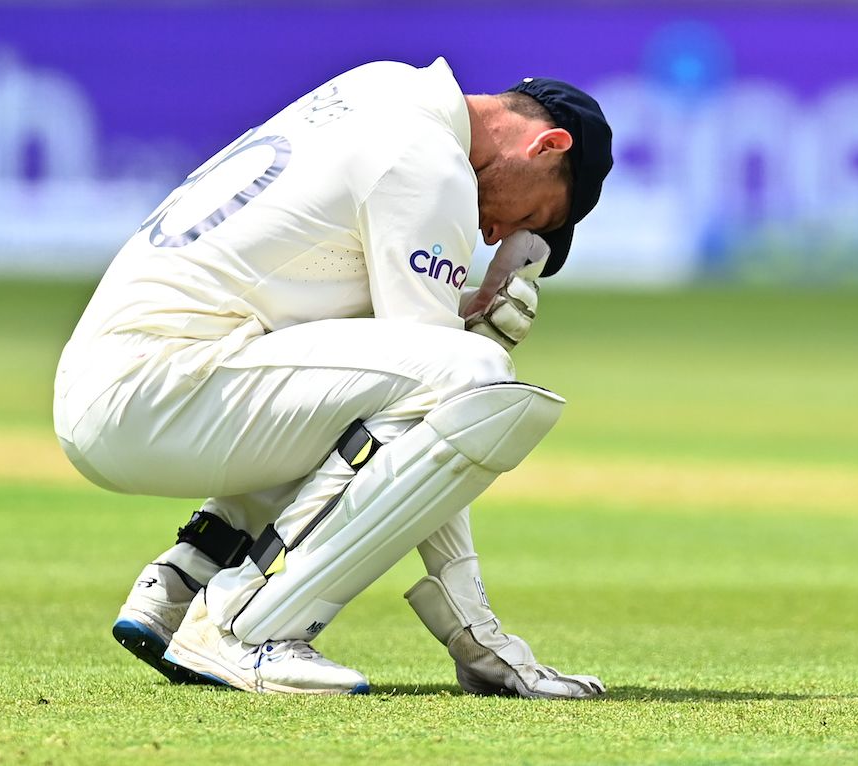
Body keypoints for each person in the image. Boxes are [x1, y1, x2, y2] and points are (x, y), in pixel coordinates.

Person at [53, 57, 613, 697]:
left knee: (417, 380)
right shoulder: (430, 163)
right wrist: (477, 635)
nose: (497, 234)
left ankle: (186, 578)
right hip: (153, 390)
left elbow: (368, 361)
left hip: (122, 377)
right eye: (533, 217)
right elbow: (447, 404)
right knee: (480, 375)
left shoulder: (381, 87)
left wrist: (455, 327)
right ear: (549, 146)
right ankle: (241, 628)